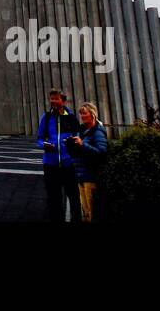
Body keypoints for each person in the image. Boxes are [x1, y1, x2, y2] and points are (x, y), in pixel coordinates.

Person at [36, 88, 81, 222]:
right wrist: (45, 144)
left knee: (74, 197)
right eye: (51, 99)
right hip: (51, 164)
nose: (53, 101)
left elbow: (78, 134)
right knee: (53, 198)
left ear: (63, 100)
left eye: (56, 99)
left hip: (69, 163)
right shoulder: (47, 117)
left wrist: (74, 142)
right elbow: (39, 138)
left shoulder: (71, 117)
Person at [68, 102, 108, 222]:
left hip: (91, 176)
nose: (82, 116)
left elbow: (101, 153)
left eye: (84, 113)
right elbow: (78, 153)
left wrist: (83, 144)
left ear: (92, 114)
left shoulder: (98, 132)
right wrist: (71, 145)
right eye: (81, 114)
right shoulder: (83, 131)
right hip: (81, 176)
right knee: (85, 212)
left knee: (92, 212)